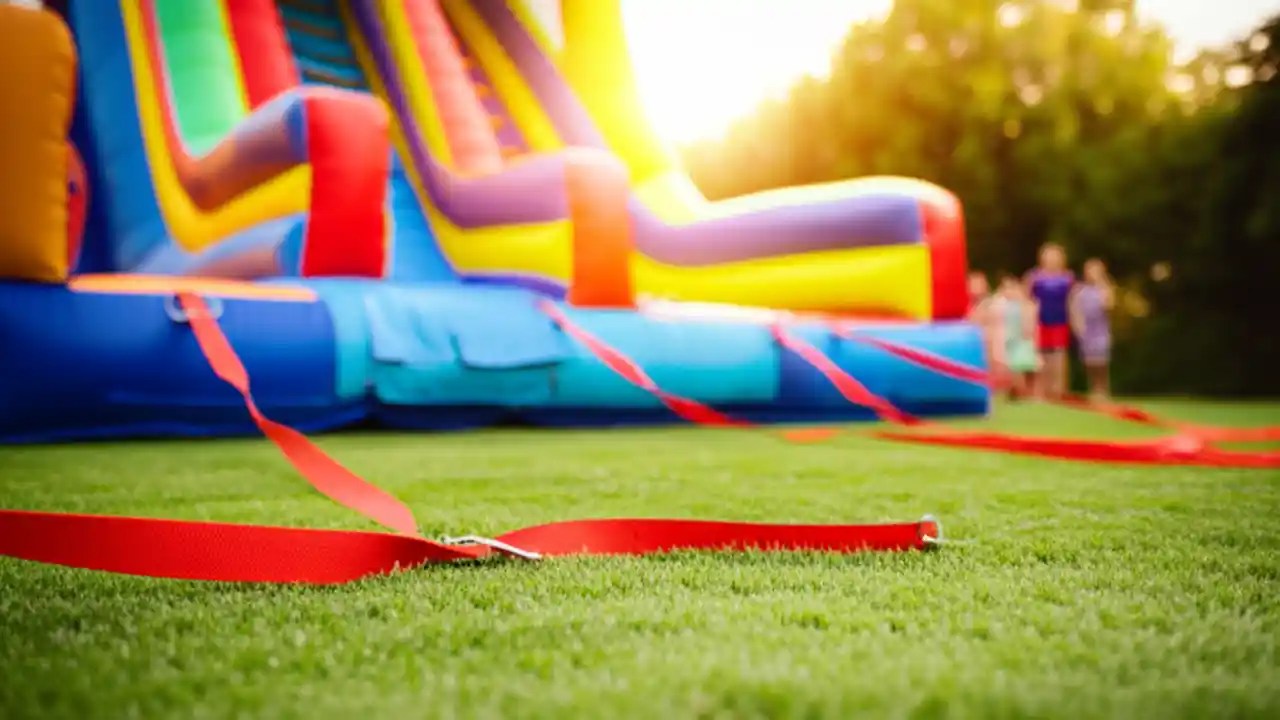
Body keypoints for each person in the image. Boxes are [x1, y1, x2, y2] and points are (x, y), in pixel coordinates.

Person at [1026, 243, 1075, 400]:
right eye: (1048, 255)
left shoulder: (1067, 277)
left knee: (1059, 356)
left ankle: (1059, 389)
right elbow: (1027, 299)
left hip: (1060, 320)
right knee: (1042, 357)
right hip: (1040, 322)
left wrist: (1074, 320)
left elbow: (1072, 301)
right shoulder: (1034, 277)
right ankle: (1043, 390)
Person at [1070, 258, 1115, 400]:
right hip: (1086, 329)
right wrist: (1078, 326)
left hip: (1100, 328)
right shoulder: (1080, 290)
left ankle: (1103, 389)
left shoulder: (1105, 288)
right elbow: (1074, 309)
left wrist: (1102, 283)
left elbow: (1108, 305)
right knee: (1089, 361)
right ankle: (1094, 389)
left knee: (1102, 360)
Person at [992, 274, 1040, 400]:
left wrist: (1029, 333)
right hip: (1011, 339)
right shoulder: (1004, 304)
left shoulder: (1025, 304)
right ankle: (1017, 391)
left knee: (1027, 365)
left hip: (1022, 338)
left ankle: (1029, 392)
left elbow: (1030, 320)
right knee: (1016, 366)